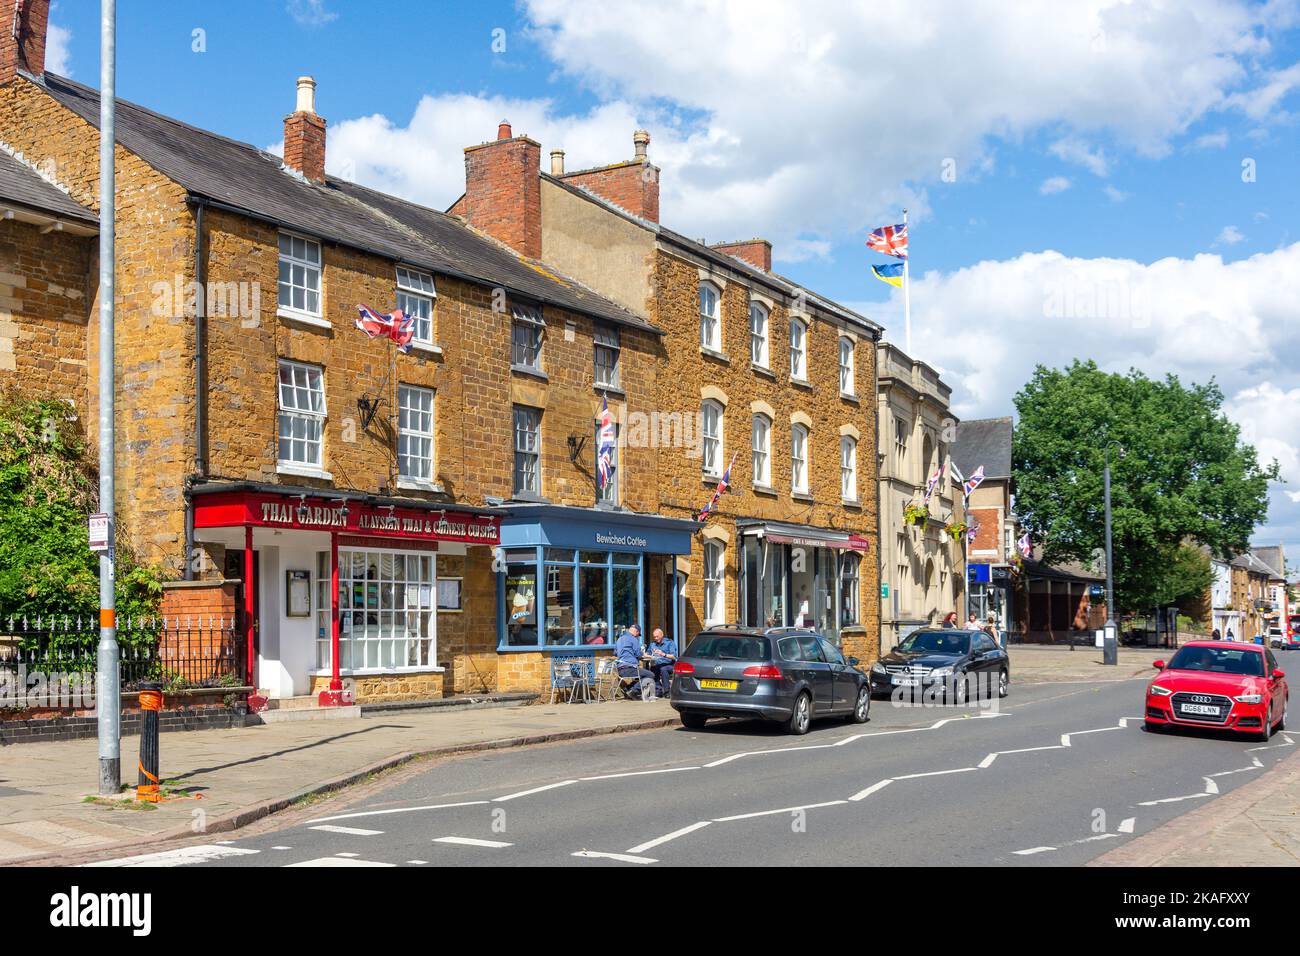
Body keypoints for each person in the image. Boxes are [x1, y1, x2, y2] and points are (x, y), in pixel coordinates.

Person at [614, 624, 655, 699]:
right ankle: (633, 690)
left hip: (620, 669)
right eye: (637, 635)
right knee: (650, 675)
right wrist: (646, 655)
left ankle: (627, 689)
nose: (637, 636)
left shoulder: (619, 639)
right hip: (629, 668)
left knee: (641, 674)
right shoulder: (633, 639)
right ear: (636, 631)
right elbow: (638, 654)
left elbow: (615, 653)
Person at [646, 627, 677, 697]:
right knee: (652, 670)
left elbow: (673, 656)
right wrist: (646, 655)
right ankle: (658, 690)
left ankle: (667, 692)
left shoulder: (670, 643)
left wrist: (663, 654)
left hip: (670, 664)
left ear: (661, 635)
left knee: (663, 669)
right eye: (654, 637)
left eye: (657, 636)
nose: (656, 638)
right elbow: (647, 653)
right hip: (657, 664)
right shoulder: (652, 644)